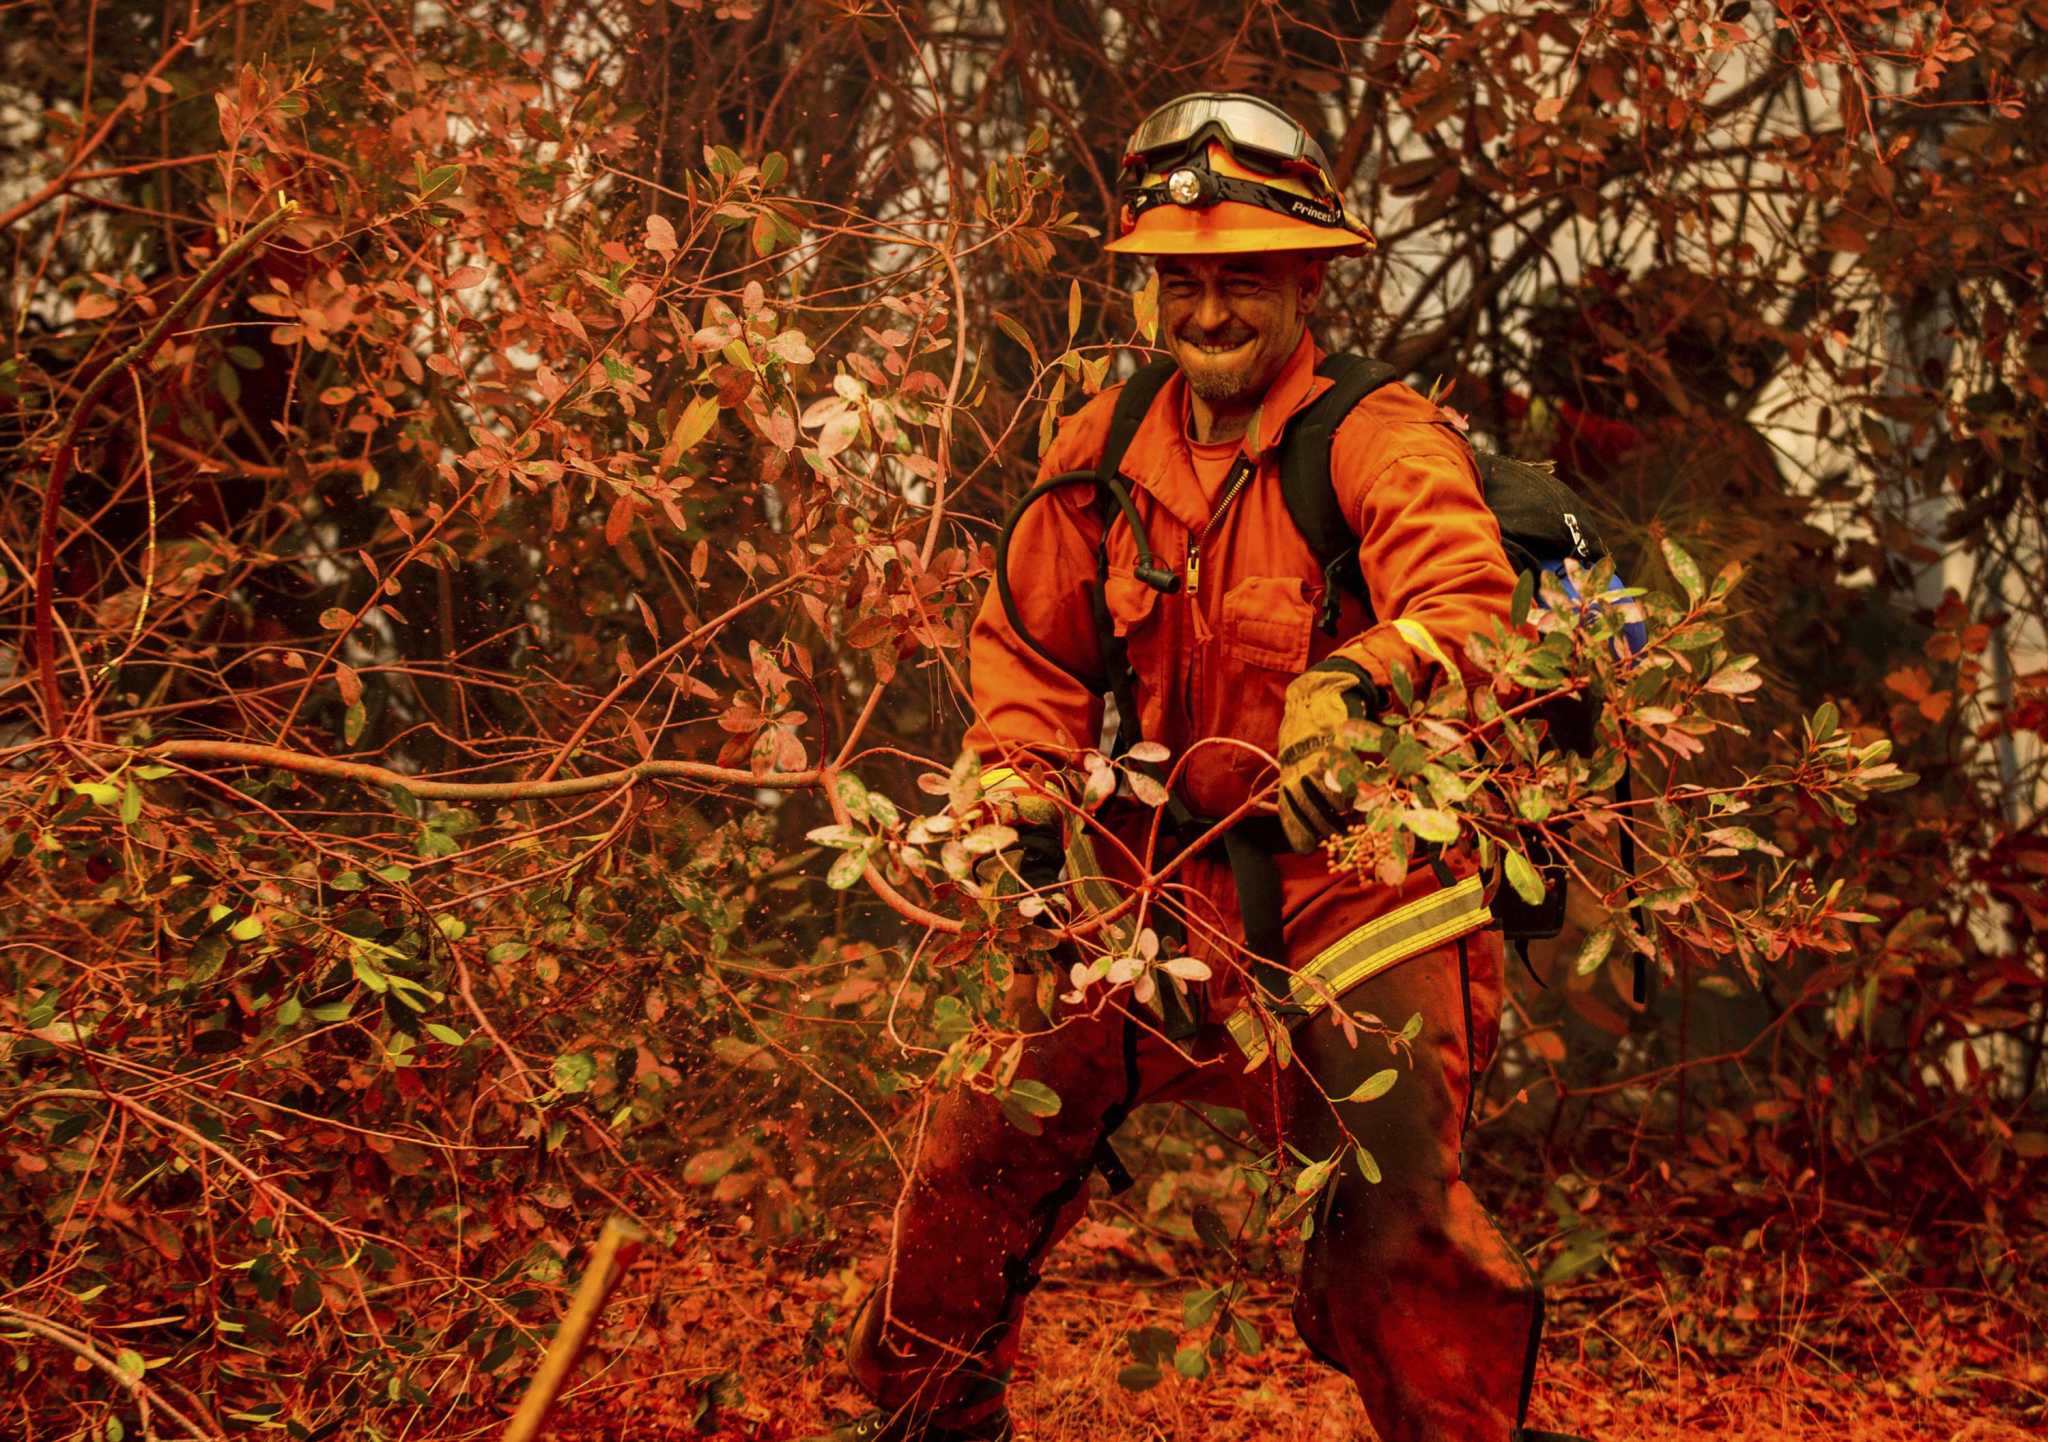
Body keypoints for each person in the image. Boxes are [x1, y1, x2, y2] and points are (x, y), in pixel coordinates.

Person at [804, 93, 1583, 1442]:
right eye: (1184, 282)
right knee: (984, 1129)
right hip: (1153, 881)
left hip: (1360, 884)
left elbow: (1468, 607)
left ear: (1307, 281)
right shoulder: (1104, 444)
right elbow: (1031, 654)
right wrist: (1019, 802)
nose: (1209, 310)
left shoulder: (1380, 439)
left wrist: (1358, 684)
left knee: (1398, 1222)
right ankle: (923, 1414)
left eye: (1243, 282)